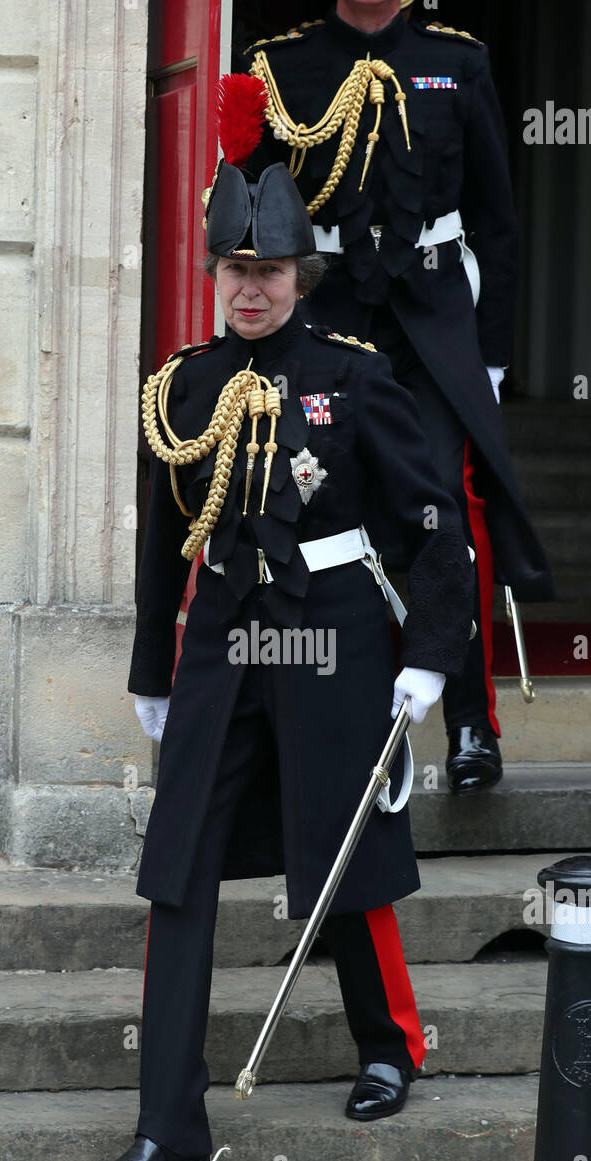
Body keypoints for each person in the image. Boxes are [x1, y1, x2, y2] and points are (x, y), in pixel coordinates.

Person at [91, 82, 474, 1161]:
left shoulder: (351, 379)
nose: (247, 290)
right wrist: (151, 673)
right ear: (212, 276)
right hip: (222, 644)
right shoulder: (182, 387)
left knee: (337, 840)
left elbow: (429, 524)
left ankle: (388, 1046)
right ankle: (170, 1121)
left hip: (334, 638)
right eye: (231, 272)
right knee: (178, 871)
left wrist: (425, 660)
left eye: (264, 273)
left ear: (297, 275)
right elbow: (164, 546)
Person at [241, 0, 555, 792]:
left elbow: (496, 218)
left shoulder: (460, 59)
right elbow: (249, 219)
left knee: (448, 506)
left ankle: (471, 725)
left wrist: (488, 356)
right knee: (315, 509)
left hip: (433, 319)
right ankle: (334, 721)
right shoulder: (281, 63)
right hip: (324, 312)